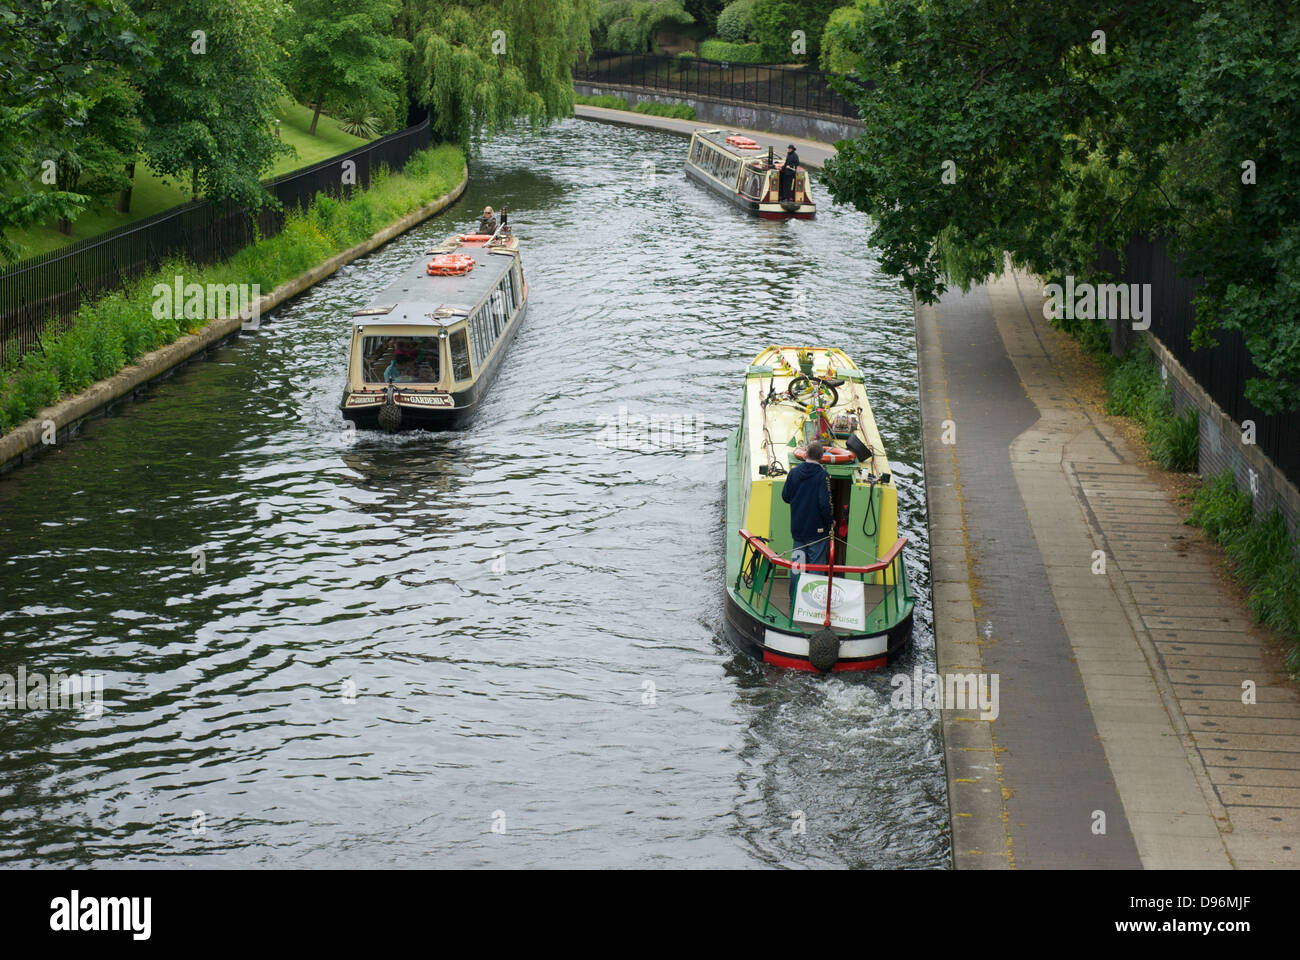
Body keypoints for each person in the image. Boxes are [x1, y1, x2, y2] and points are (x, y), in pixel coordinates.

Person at [781, 441, 833, 611]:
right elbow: (824, 504)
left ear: (806, 454)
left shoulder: (794, 473)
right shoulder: (822, 476)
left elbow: (786, 497)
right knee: (816, 567)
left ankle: (793, 602)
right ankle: (812, 607)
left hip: (798, 530)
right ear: (821, 457)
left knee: (797, 567)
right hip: (817, 532)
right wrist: (829, 521)